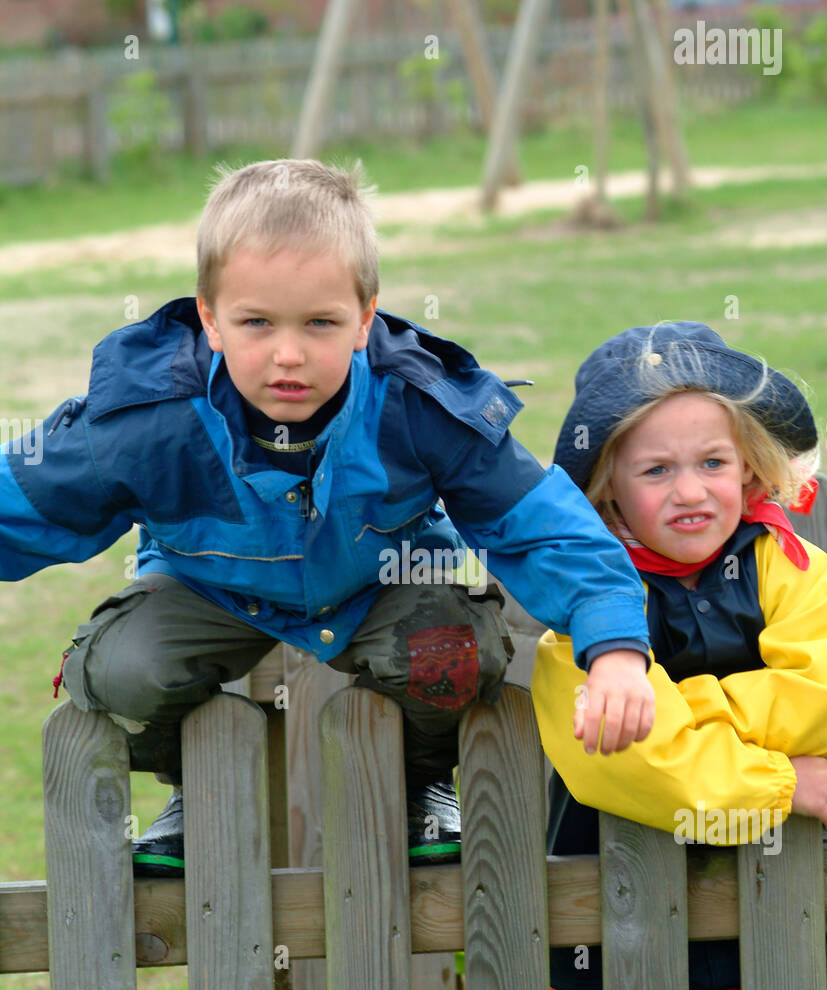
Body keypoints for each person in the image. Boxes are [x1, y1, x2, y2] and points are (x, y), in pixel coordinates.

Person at [1, 158, 655, 875]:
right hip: (207, 588)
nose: (289, 355)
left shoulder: (417, 402)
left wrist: (615, 644)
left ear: (365, 318)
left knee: (453, 651)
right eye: (256, 323)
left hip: (377, 584)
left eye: (321, 323)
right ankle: (192, 789)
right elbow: (23, 501)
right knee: (129, 670)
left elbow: (541, 523)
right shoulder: (147, 418)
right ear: (210, 319)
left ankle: (421, 782)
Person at [531, 320, 827, 990]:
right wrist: (774, 778)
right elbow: (627, 757)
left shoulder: (791, 565)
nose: (691, 491)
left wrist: (685, 707)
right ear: (607, 491)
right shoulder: (587, 597)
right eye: (656, 470)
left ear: (751, 467)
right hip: (615, 891)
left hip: (774, 894)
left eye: (712, 462)